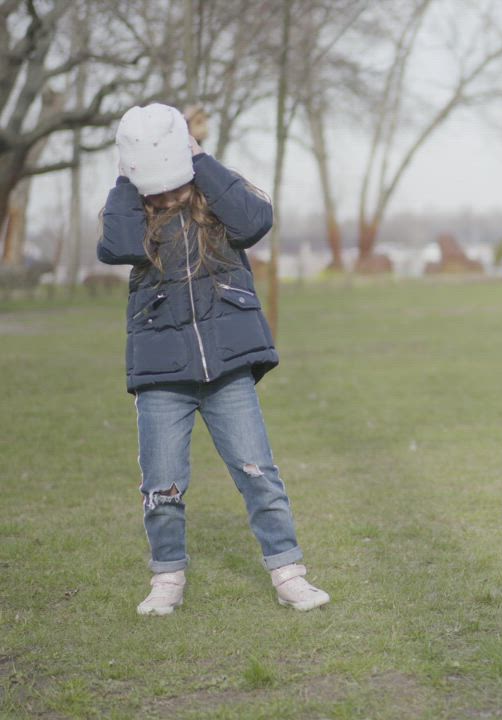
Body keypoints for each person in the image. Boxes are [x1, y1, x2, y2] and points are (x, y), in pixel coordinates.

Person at [97, 103, 329, 615]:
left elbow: (255, 220)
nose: (167, 192)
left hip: (228, 373)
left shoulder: (216, 208)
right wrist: (125, 177)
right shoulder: (137, 218)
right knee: (162, 486)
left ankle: (289, 573)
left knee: (259, 475)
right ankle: (167, 578)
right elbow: (113, 246)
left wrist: (198, 158)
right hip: (162, 379)